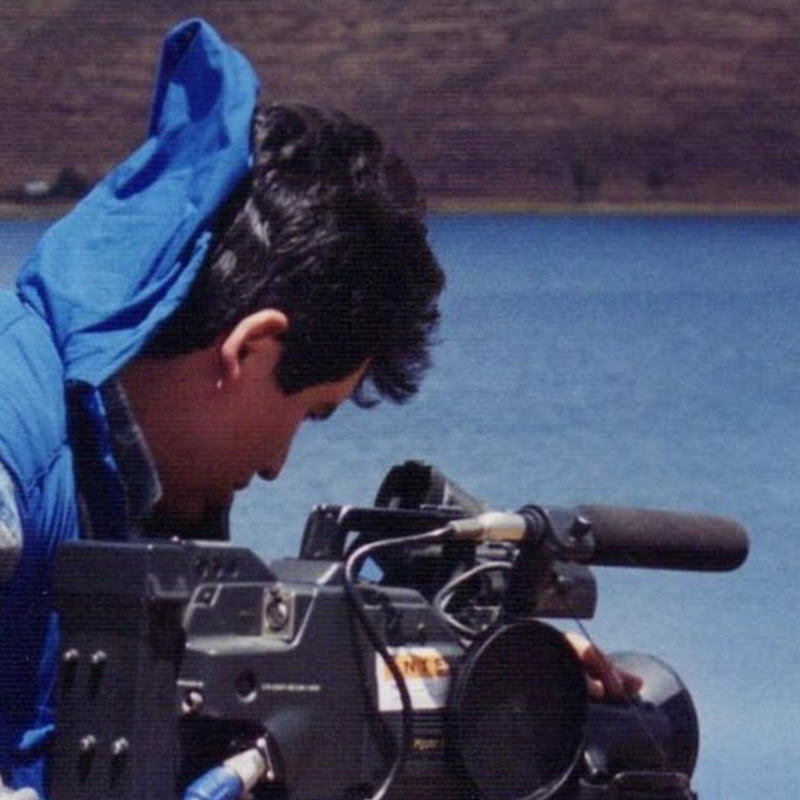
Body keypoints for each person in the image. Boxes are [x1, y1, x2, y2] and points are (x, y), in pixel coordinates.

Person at [0, 18, 637, 799]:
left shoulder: (106, 475)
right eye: (309, 413)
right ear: (252, 350)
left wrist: (466, 681)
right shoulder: (15, 437)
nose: (277, 466)